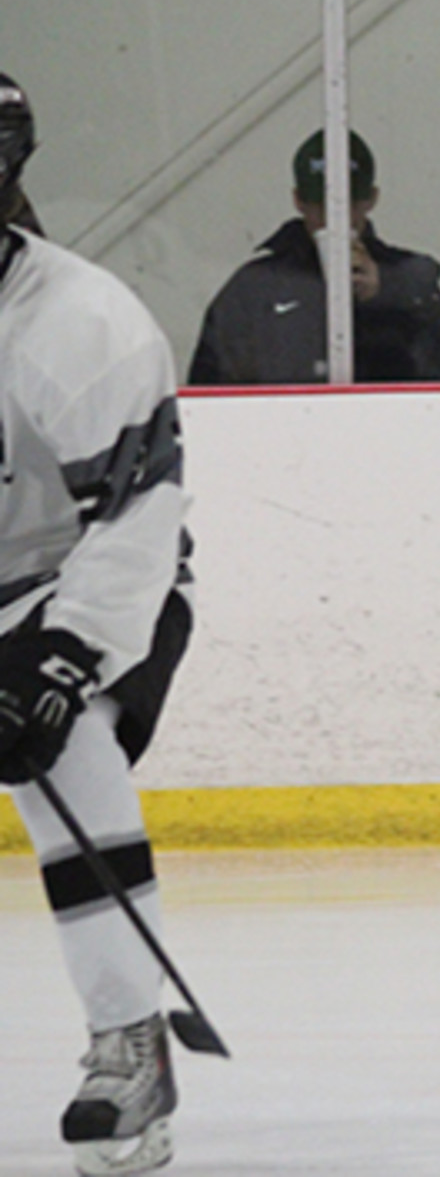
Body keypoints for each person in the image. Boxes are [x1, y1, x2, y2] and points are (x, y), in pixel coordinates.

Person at [0, 72, 196, 1173]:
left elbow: (134, 522)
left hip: (81, 579)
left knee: (62, 748)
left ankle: (130, 1040)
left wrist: (61, 661)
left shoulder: (79, 323)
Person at [188, 129, 440, 384]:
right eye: (320, 204)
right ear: (298, 201)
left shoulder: (409, 282)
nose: (334, 217)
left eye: (348, 203)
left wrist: (385, 293)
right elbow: (210, 387)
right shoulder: (255, 286)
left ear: (371, 199)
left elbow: (438, 375)